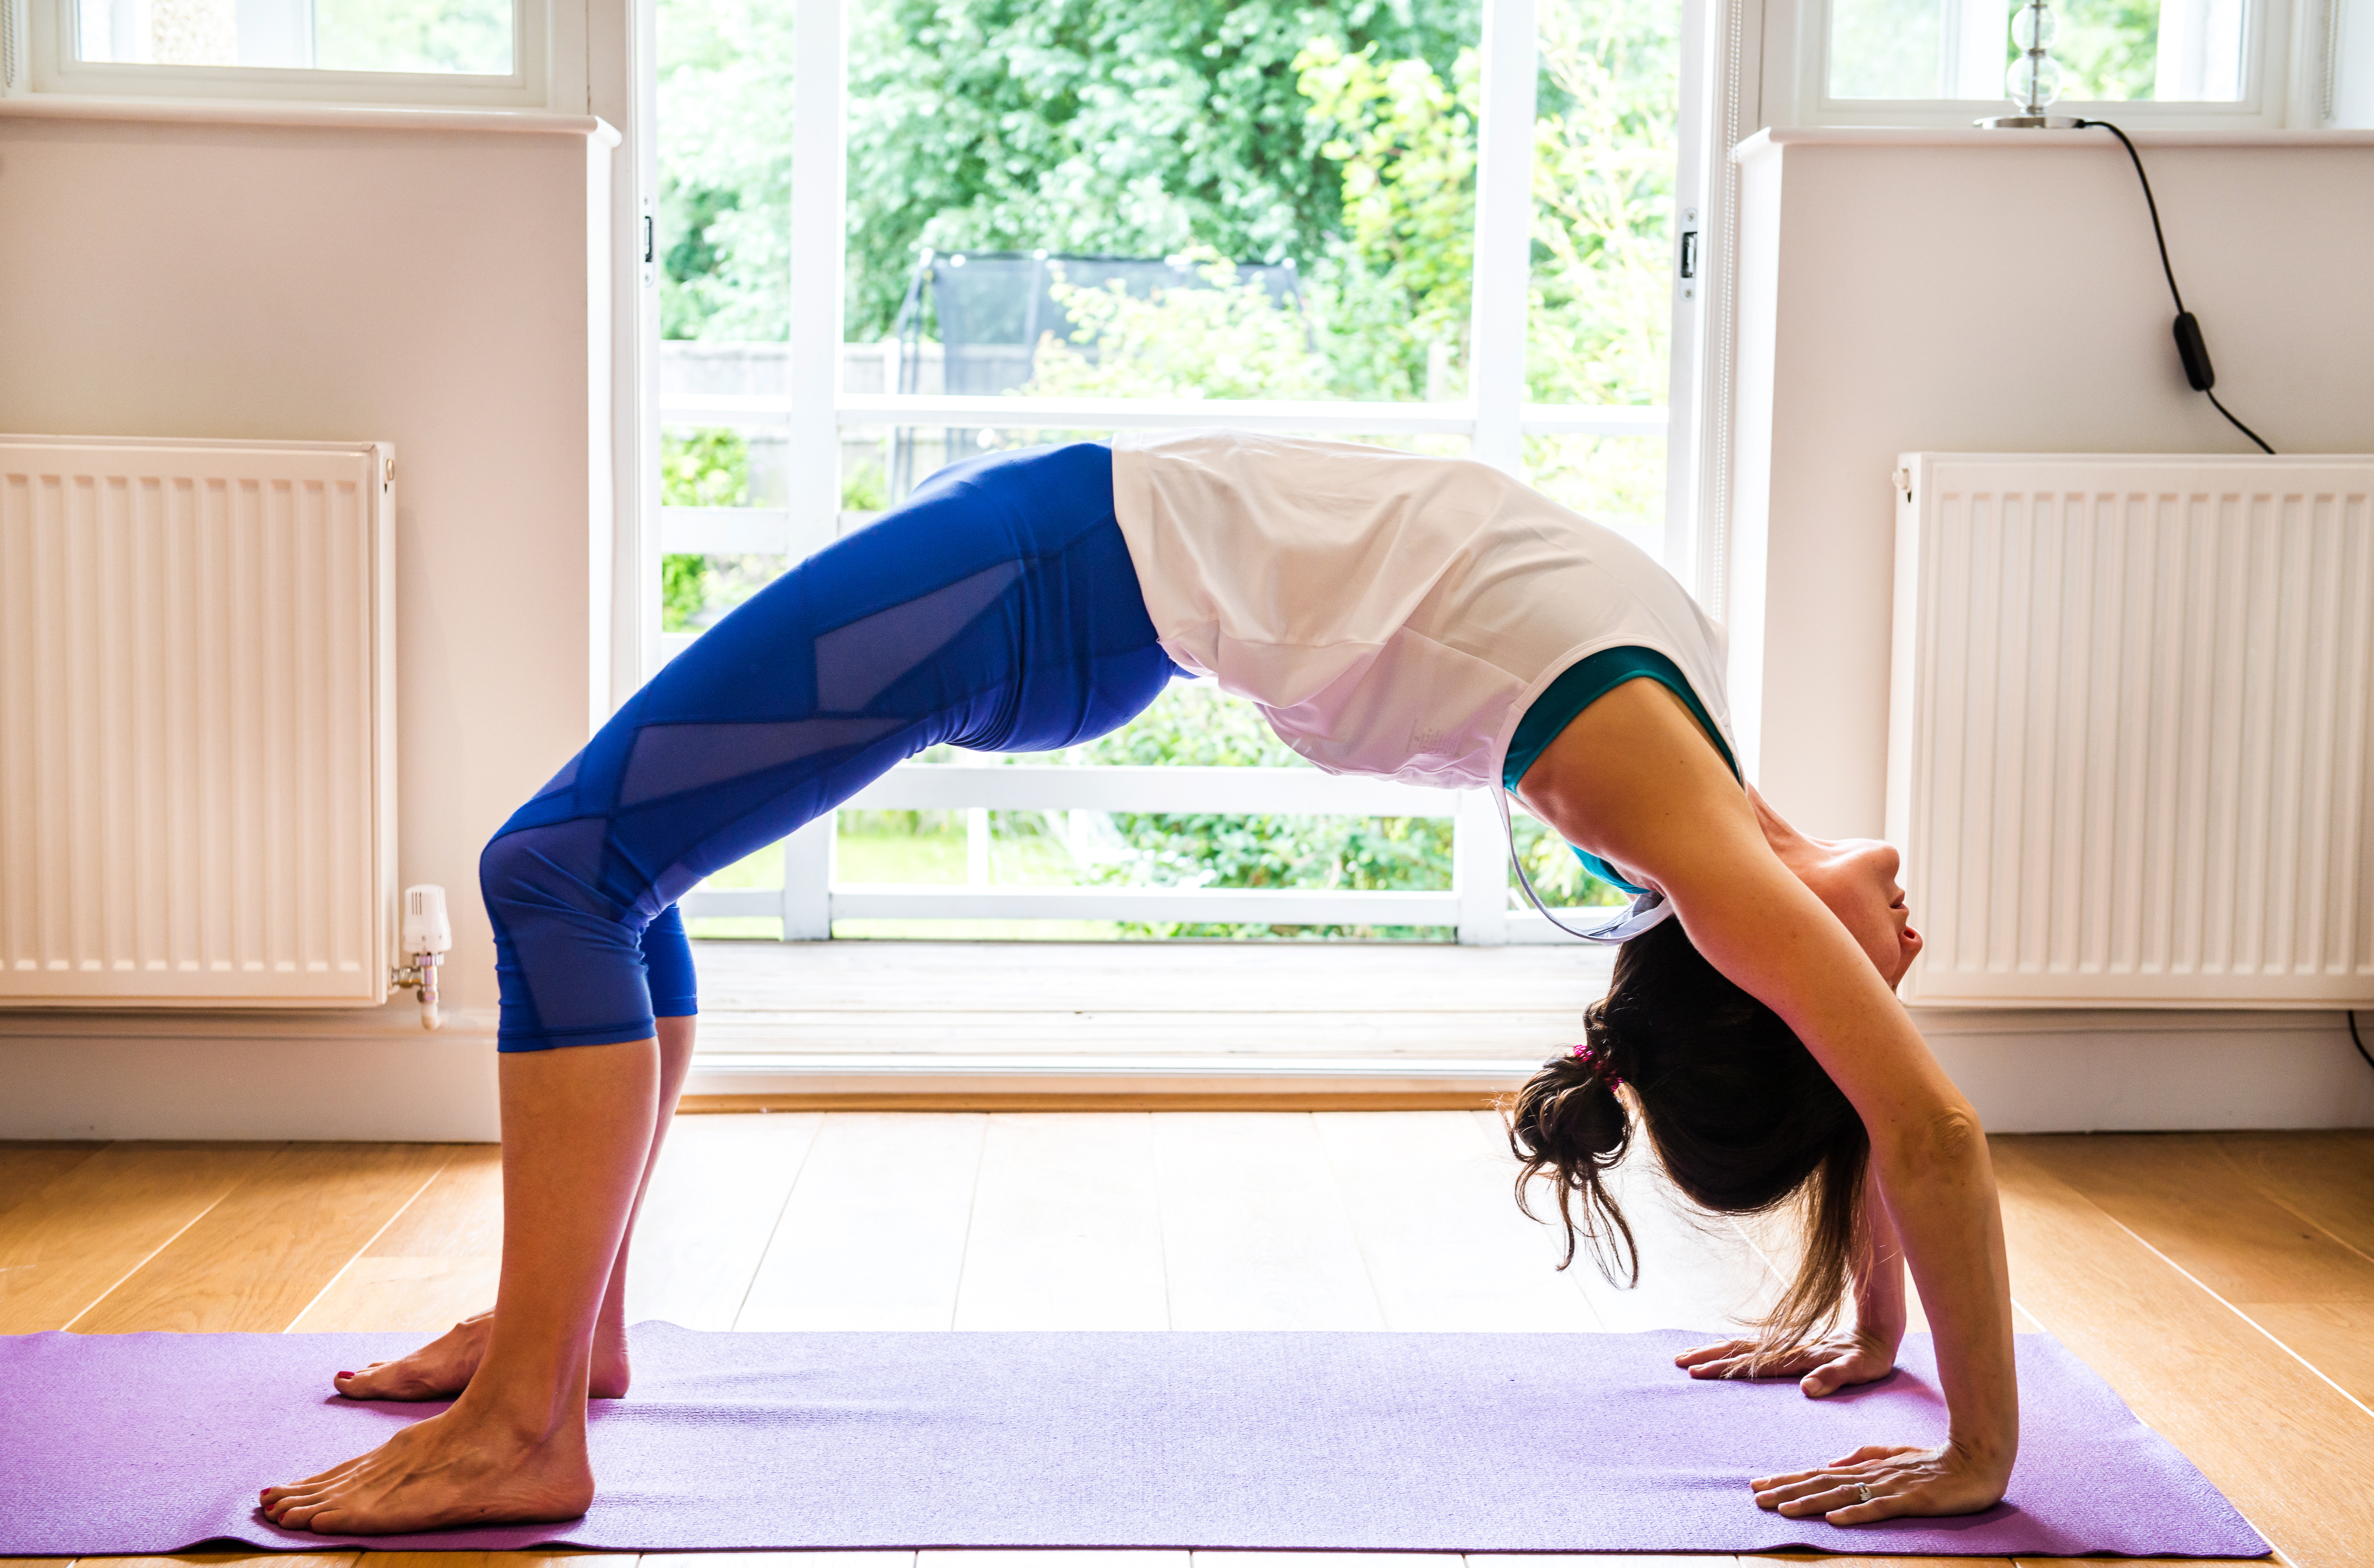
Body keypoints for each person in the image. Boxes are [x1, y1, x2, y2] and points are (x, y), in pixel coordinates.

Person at [259, 431, 2015, 1535]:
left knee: (553, 869)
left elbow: (1918, 1121)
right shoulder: (1701, 796)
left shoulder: (1676, 828)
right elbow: (1873, 1095)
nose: (1905, 958)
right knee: (611, 868)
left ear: (1779, 989)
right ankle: (575, 1341)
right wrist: (1867, 1330)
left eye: (1866, 991)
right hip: (1056, 585)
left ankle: (525, 1422)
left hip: (1031, 577)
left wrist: (1975, 1454)